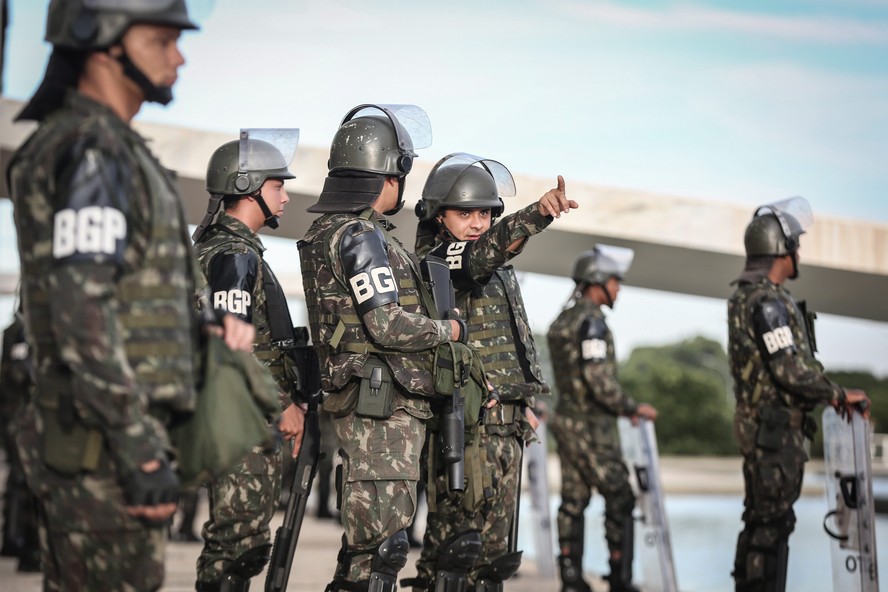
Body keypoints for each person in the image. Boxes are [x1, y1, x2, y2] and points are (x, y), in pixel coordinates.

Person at [6, 1, 255, 589]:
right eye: (162, 41)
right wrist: (138, 447)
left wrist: (199, 330)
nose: (179, 57)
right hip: (104, 447)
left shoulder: (112, 149)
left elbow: (122, 298)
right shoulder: (92, 152)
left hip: (109, 438)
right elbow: (81, 314)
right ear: (103, 44)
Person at [298, 104, 467, 592]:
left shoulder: (327, 231)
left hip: (367, 403)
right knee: (380, 552)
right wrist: (448, 331)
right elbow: (386, 323)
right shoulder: (360, 233)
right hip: (381, 409)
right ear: (389, 173)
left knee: (366, 551)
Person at [408, 152, 577, 592]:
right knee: (452, 553)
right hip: (467, 429)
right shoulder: (439, 259)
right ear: (438, 216)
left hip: (506, 426)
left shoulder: (495, 268)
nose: (477, 223)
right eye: (464, 213)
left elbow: (509, 339)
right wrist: (538, 214)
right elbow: (482, 254)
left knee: (493, 561)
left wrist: (524, 402)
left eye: (484, 213)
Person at [728, 197, 869, 592]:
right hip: (774, 432)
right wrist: (837, 394)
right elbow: (788, 369)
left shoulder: (745, 296)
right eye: (796, 244)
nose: (799, 253)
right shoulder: (767, 301)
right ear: (782, 247)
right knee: (772, 524)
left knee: (760, 520)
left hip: (763, 428)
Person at [191, 130, 308, 591]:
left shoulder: (223, 249)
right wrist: (283, 403)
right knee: (237, 547)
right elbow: (231, 342)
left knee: (239, 546)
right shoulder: (234, 255)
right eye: (278, 185)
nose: (285, 196)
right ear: (248, 187)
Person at [547, 246, 658, 592]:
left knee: (573, 500)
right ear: (597, 281)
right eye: (614, 281)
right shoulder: (591, 322)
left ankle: (571, 579)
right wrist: (631, 407)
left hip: (565, 420)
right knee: (620, 496)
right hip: (591, 426)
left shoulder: (562, 319)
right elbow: (597, 379)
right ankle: (620, 579)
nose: (618, 289)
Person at [0, 309, 40, 572]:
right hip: (21, 416)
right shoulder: (22, 330)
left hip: (20, 415)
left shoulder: (19, 329)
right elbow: (19, 372)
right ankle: (19, 543)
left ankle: (20, 542)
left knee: (22, 479)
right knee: (22, 479)